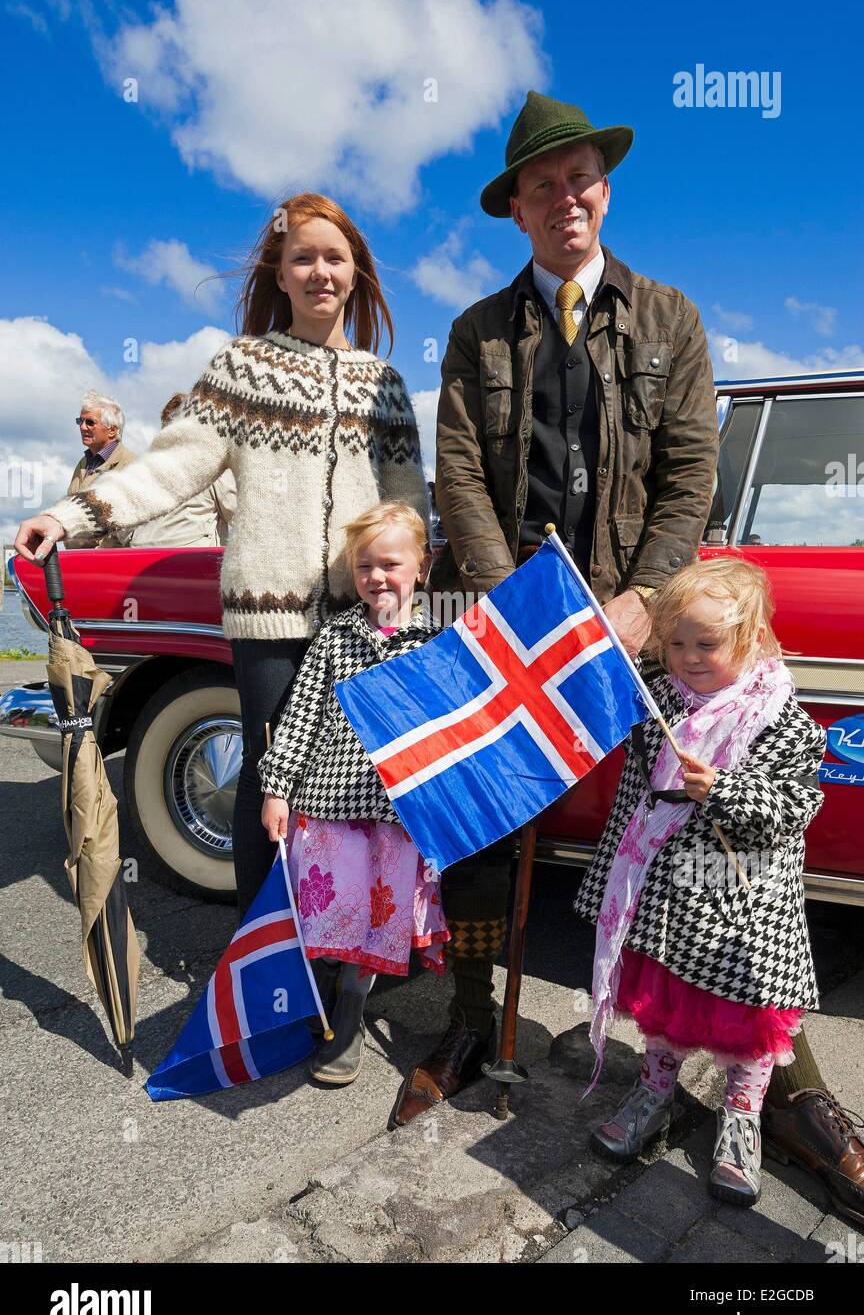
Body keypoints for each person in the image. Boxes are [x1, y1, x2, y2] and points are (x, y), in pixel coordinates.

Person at [390, 89, 720, 1128]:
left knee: (688, 821)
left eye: (579, 177)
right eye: (543, 184)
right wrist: (516, 604)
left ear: (605, 193)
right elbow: (458, 478)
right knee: (481, 828)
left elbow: (690, 478)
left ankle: (743, 1065)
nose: (564, 196)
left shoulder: (671, 317)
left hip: (640, 623)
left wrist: (638, 600)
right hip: (518, 625)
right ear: (518, 210)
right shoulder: (475, 333)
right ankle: (473, 1015)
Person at [14, 193, 430, 921]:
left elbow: (407, 509)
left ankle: (344, 945)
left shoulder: (386, 388)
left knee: (356, 780)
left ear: (357, 273)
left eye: (336, 258)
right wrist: (71, 513)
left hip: (365, 623)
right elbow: (170, 467)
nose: (320, 272)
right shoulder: (241, 369)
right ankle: (265, 951)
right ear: (279, 273)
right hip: (269, 623)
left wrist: (406, 593)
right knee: (270, 779)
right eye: (303, 258)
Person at [574, 558, 824, 1206]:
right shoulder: (659, 701)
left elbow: (796, 808)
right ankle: (655, 1090)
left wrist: (726, 791)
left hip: (740, 909)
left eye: (706, 644)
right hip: (664, 894)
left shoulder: (781, 719)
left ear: (753, 638)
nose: (687, 657)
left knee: (745, 1025)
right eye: (676, 643)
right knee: (665, 1006)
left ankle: (741, 1118)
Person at [259, 503, 447, 1086]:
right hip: (328, 805)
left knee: (373, 921)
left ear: (422, 565)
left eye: (390, 563)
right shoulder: (336, 636)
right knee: (324, 912)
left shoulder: (439, 638)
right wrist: (277, 788)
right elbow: (300, 715)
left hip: (395, 814)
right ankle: (306, 1008)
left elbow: (452, 727)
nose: (376, 576)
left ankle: (350, 1013)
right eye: (363, 565)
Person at [130, 393, 237, 547]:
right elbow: (241, 516)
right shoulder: (211, 465)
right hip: (190, 564)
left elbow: (122, 531)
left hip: (139, 561)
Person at [65, 392, 137, 548]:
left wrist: (100, 553)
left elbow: (129, 523)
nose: (82, 427)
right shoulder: (84, 463)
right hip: (78, 561)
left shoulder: (131, 465)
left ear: (112, 430)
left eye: (90, 422)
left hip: (107, 563)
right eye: (80, 421)